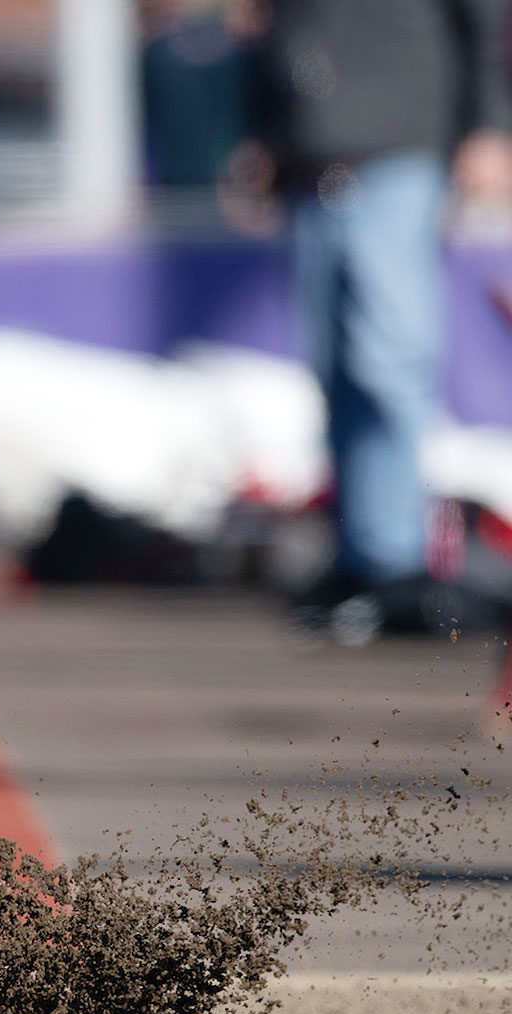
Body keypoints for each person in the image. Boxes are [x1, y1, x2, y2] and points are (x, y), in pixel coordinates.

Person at [255, 0, 512, 641]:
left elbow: (481, 19)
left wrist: (489, 125)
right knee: (333, 366)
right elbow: (278, 28)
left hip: (397, 148)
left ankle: (397, 562)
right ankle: (358, 556)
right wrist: (263, 128)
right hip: (310, 158)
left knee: (389, 361)